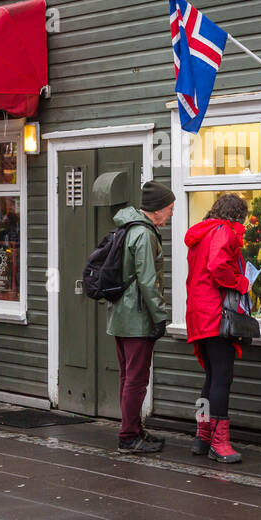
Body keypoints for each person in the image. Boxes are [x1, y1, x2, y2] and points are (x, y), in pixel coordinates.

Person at [107, 180, 175, 453]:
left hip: (120, 316)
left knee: (127, 376)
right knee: (136, 379)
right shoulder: (144, 235)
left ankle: (133, 429)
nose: (171, 214)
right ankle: (128, 437)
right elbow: (148, 281)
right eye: (170, 208)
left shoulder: (128, 228)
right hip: (137, 318)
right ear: (157, 210)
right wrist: (160, 316)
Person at [183, 193, 251, 464]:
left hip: (198, 312)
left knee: (211, 377)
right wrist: (240, 282)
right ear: (237, 215)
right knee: (222, 377)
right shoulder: (224, 231)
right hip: (215, 314)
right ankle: (219, 443)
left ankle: (202, 436)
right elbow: (218, 267)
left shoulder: (202, 233)